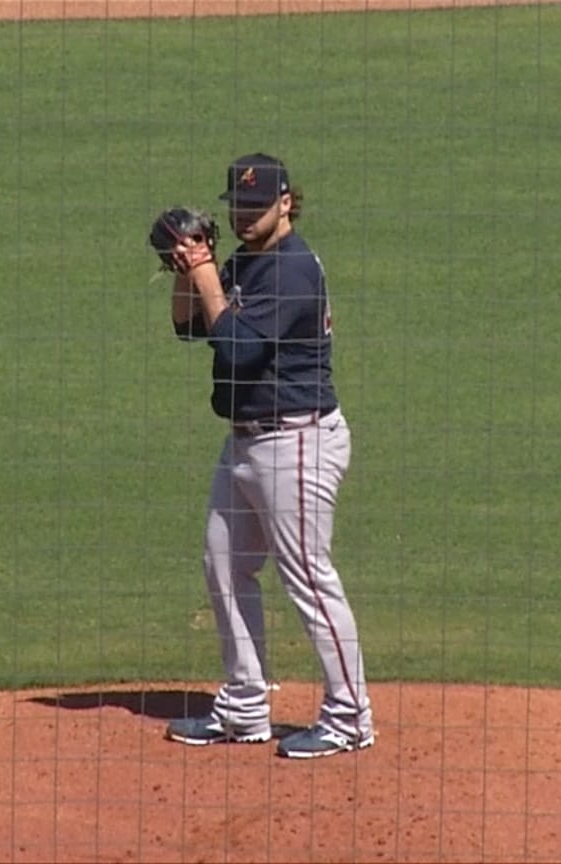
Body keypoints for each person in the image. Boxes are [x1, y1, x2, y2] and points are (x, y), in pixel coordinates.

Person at [162, 153, 374, 759]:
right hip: (247, 441)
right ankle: (244, 706)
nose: (245, 216)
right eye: (238, 206)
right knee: (224, 565)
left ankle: (350, 717)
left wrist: (205, 268)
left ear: (285, 204)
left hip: (296, 442)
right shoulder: (247, 261)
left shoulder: (291, 269)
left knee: (308, 576)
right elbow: (189, 326)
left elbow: (236, 350)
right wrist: (186, 268)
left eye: (257, 207)